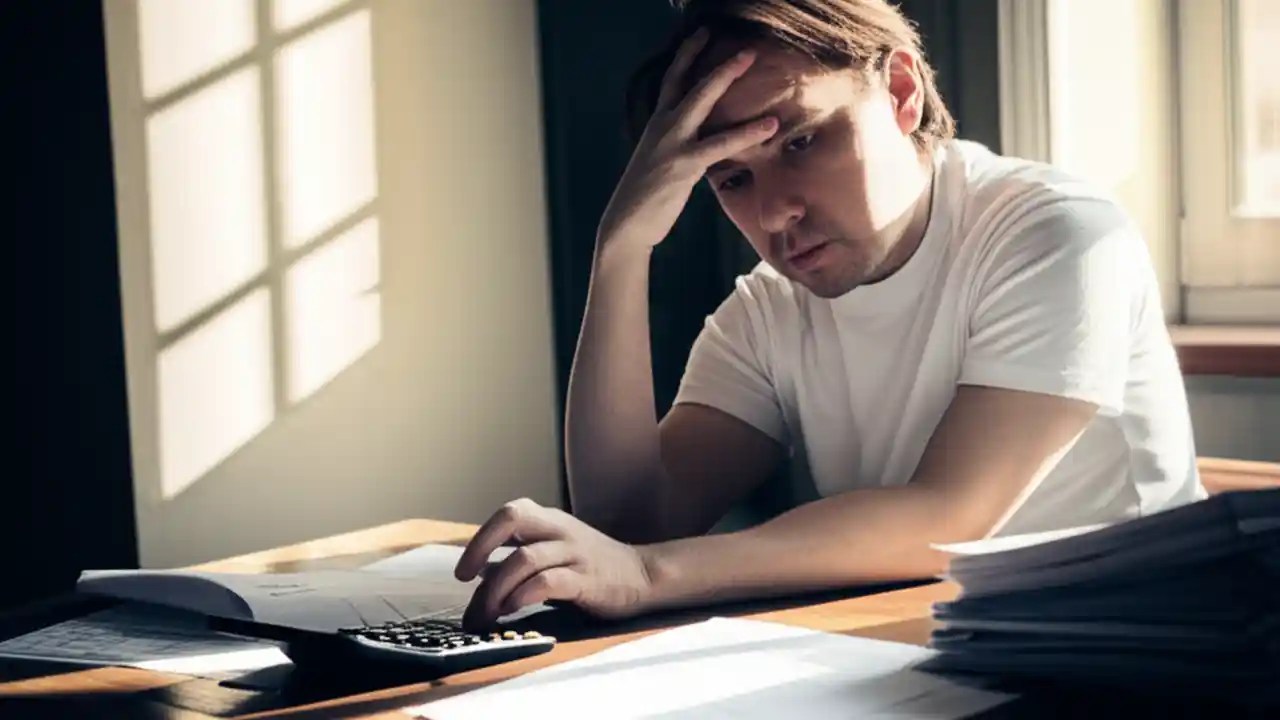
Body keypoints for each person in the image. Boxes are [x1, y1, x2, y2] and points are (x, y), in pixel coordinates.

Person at [453, 0, 1205, 630]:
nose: (775, 212)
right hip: (922, 647)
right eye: (732, 177)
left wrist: (647, 575)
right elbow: (631, 522)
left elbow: (949, 515)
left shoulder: (1056, 232)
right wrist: (622, 248)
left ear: (902, 91)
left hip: (1138, 653)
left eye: (805, 140)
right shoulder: (769, 307)